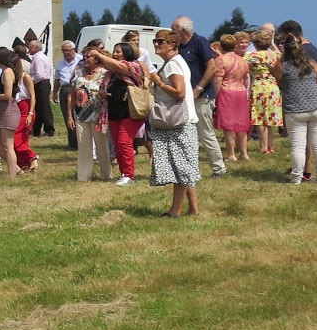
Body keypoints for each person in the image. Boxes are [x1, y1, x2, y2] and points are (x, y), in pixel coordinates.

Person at [146, 30, 201, 216]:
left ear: (172, 45)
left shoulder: (173, 65)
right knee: (185, 166)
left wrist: (158, 83)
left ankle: (174, 211)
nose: (156, 44)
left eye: (160, 41)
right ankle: (193, 208)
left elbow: (179, 92)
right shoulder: (174, 63)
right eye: (155, 41)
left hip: (178, 122)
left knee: (181, 169)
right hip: (182, 121)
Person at [173, 17, 226, 178]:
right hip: (185, 96)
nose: (171, 33)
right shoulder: (179, 47)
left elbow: (212, 66)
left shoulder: (199, 42)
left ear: (183, 30)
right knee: (186, 133)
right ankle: (189, 168)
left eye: (173, 29)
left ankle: (219, 167)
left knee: (204, 133)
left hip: (201, 96)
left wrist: (199, 88)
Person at [91, 41, 146, 185]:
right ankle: (124, 173)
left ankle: (129, 175)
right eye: (114, 51)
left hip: (131, 111)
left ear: (127, 53)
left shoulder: (133, 66)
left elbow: (121, 66)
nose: (115, 54)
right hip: (115, 111)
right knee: (117, 144)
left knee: (124, 142)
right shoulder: (111, 72)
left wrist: (98, 54)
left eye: (118, 52)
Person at [277, 32, 317, 186]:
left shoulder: (282, 67)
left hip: (295, 109)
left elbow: (280, 84)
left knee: (298, 146)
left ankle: (296, 178)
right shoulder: (312, 63)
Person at [69, 40, 112, 182]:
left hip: (97, 115)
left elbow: (110, 92)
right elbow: (72, 95)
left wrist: (104, 95)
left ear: (97, 57)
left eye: (89, 56)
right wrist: (70, 116)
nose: (86, 59)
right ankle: (84, 176)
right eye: (84, 56)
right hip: (80, 115)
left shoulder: (104, 73)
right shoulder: (78, 72)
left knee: (102, 147)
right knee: (84, 147)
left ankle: (106, 175)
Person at [207, 34, 251, 163]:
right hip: (241, 91)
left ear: (221, 45)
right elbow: (246, 79)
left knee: (228, 125)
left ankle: (231, 154)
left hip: (227, 91)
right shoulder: (243, 60)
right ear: (235, 45)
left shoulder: (221, 60)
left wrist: (215, 96)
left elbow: (218, 79)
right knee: (242, 124)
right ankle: (244, 153)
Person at [246, 29, 284, 156]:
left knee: (260, 119)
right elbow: (281, 55)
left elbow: (240, 62)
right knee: (270, 119)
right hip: (273, 88)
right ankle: (271, 146)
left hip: (259, 87)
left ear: (256, 43)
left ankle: (263, 147)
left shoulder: (252, 56)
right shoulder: (275, 55)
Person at [0, 48, 23, 180]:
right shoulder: (5, 72)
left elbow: (8, 95)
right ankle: (16, 168)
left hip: (9, 110)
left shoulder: (7, 72)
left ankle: (12, 175)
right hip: (3, 110)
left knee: (8, 146)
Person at [54, 40, 81, 150]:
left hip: (78, 89)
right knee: (67, 116)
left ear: (73, 50)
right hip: (64, 89)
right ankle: (73, 143)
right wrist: (55, 92)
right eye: (64, 51)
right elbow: (57, 79)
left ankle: (82, 141)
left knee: (78, 115)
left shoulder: (81, 60)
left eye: (68, 50)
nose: (66, 53)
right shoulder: (60, 63)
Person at [28, 38, 55, 137]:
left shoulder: (38, 58)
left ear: (36, 48)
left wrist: (31, 81)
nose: (29, 49)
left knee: (44, 107)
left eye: (31, 47)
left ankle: (49, 129)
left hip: (41, 83)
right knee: (38, 107)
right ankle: (36, 129)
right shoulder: (41, 57)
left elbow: (39, 74)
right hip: (43, 83)